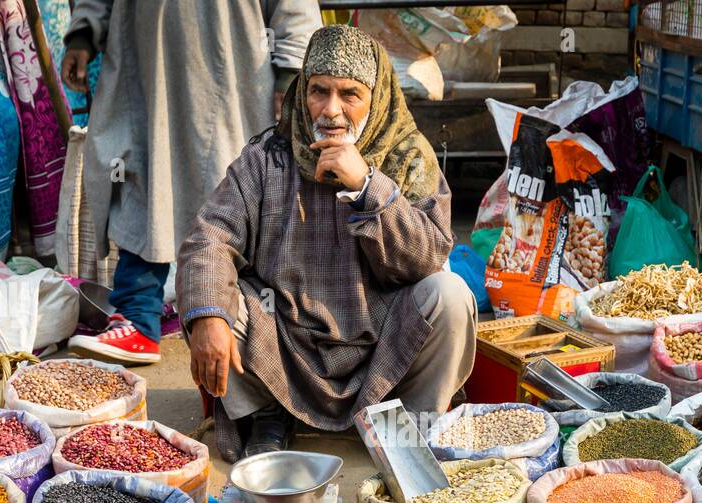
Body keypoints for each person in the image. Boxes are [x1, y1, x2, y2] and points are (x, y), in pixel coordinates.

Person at [177, 24, 477, 460]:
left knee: (449, 297)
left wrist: (368, 187)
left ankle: (409, 421)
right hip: (282, 340)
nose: (331, 111)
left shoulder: (407, 157)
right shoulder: (267, 156)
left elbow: (428, 257)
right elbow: (210, 236)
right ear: (302, 92)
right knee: (214, 301)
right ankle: (268, 413)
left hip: (381, 339)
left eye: (349, 95)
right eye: (319, 91)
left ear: (375, 100)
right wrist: (207, 317)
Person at [60, 0, 320, 365]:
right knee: (140, 177)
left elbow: (294, 8)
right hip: (144, 65)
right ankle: (138, 320)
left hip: (232, 66)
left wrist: (290, 72)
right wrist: (84, 34)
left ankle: (244, 328)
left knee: (231, 193)